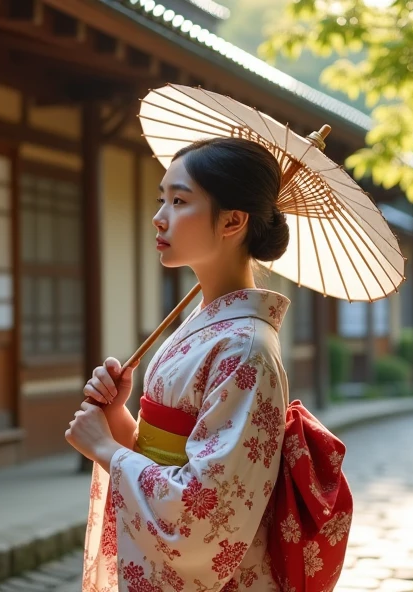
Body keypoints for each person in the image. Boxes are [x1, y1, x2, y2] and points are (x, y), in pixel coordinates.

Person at [65, 137, 346, 592]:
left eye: (179, 201)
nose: (159, 216)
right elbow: (162, 456)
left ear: (233, 220)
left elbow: (207, 512)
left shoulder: (246, 348)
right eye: (162, 199)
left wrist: (108, 451)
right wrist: (118, 415)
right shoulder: (208, 326)